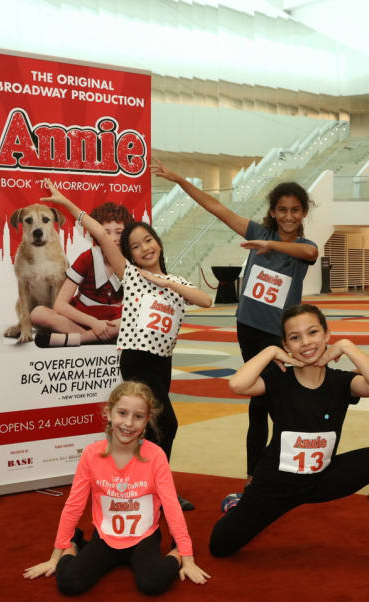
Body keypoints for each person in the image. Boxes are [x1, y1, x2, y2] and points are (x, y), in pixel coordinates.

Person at [210, 303, 369, 584]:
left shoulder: (340, 383)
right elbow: (237, 384)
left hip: (323, 478)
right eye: (294, 338)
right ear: (286, 344)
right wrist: (271, 351)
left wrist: (345, 345)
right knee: (220, 546)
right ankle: (241, 504)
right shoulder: (278, 379)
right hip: (277, 485)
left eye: (313, 332)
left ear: (326, 334)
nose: (306, 342)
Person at [41, 179, 212, 510]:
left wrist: (163, 280)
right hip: (136, 359)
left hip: (162, 361)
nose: (145, 248)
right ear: (128, 254)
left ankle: (137, 485)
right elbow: (104, 237)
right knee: (167, 422)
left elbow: (204, 299)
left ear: (158, 242)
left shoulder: (175, 282)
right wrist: (66, 203)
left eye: (148, 240)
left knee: (149, 427)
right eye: (135, 246)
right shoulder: (131, 276)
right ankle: (161, 491)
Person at [151, 158, 318, 483]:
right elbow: (215, 207)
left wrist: (269, 245)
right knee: (260, 400)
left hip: (281, 335)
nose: (288, 216)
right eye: (282, 210)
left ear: (303, 214)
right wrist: (178, 179)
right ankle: (256, 475)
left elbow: (311, 255)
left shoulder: (301, 247)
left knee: (274, 403)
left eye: (295, 210)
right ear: (272, 212)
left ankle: (271, 470)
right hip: (250, 329)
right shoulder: (256, 231)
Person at [23, 381, 210, 594]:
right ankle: (74, 544)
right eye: (122, 413)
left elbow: (172, 507)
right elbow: (74, 505)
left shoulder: (156, 456)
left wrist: (187, 557)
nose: (129, 423)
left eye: (138, 416)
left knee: (152, 583)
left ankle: (174, 552)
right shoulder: (91, 455)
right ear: (109, 413)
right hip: (105, 537)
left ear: (147, 420)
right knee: (69, 582)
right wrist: (55, 557)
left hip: (144, 537)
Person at [31, 202, 134, 347]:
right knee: (38, 313)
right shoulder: (87, 258)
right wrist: (94, 323)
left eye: (119, 232)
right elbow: (60, 305)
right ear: (95, 232)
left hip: (113, 320)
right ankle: (102, 339)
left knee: (135, 317)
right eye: (106, 232)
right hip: (81, 317)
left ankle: (81, 339)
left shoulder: (131, 260)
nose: (113, 238)